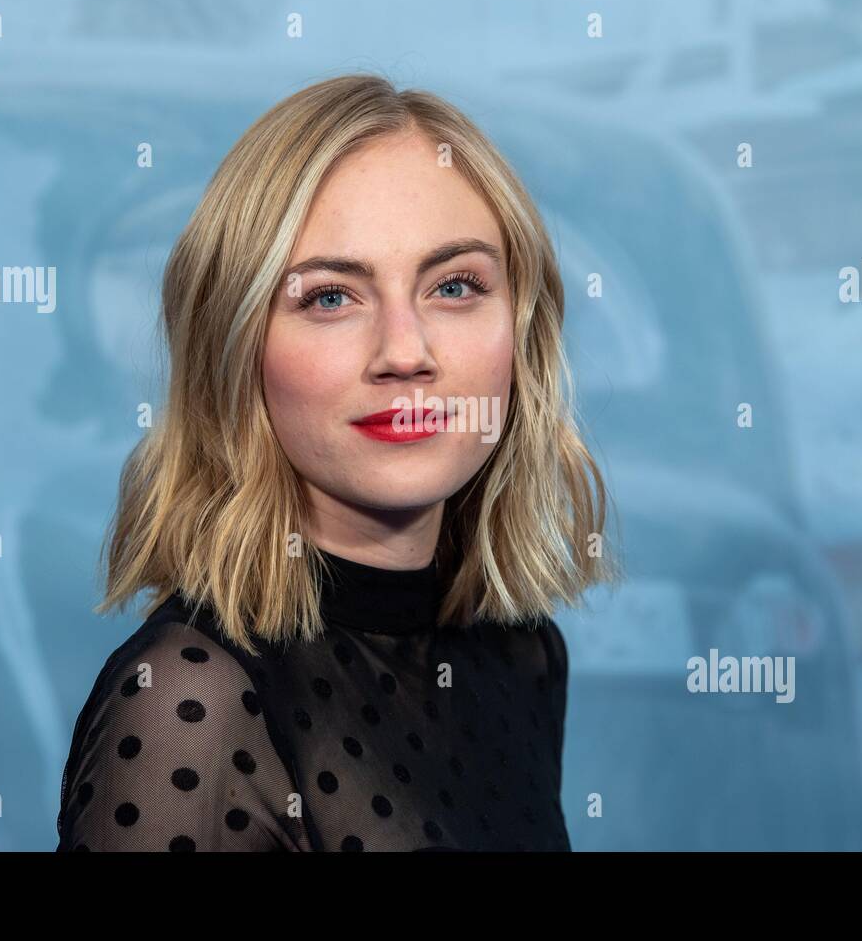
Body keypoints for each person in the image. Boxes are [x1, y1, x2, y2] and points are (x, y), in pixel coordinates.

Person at [56, 73, 620, 851]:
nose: (404, 352)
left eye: (455, 286)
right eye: (330, 297)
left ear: (521, 336)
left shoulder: (521, 657)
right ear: (237, 347)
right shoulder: (188, 699)